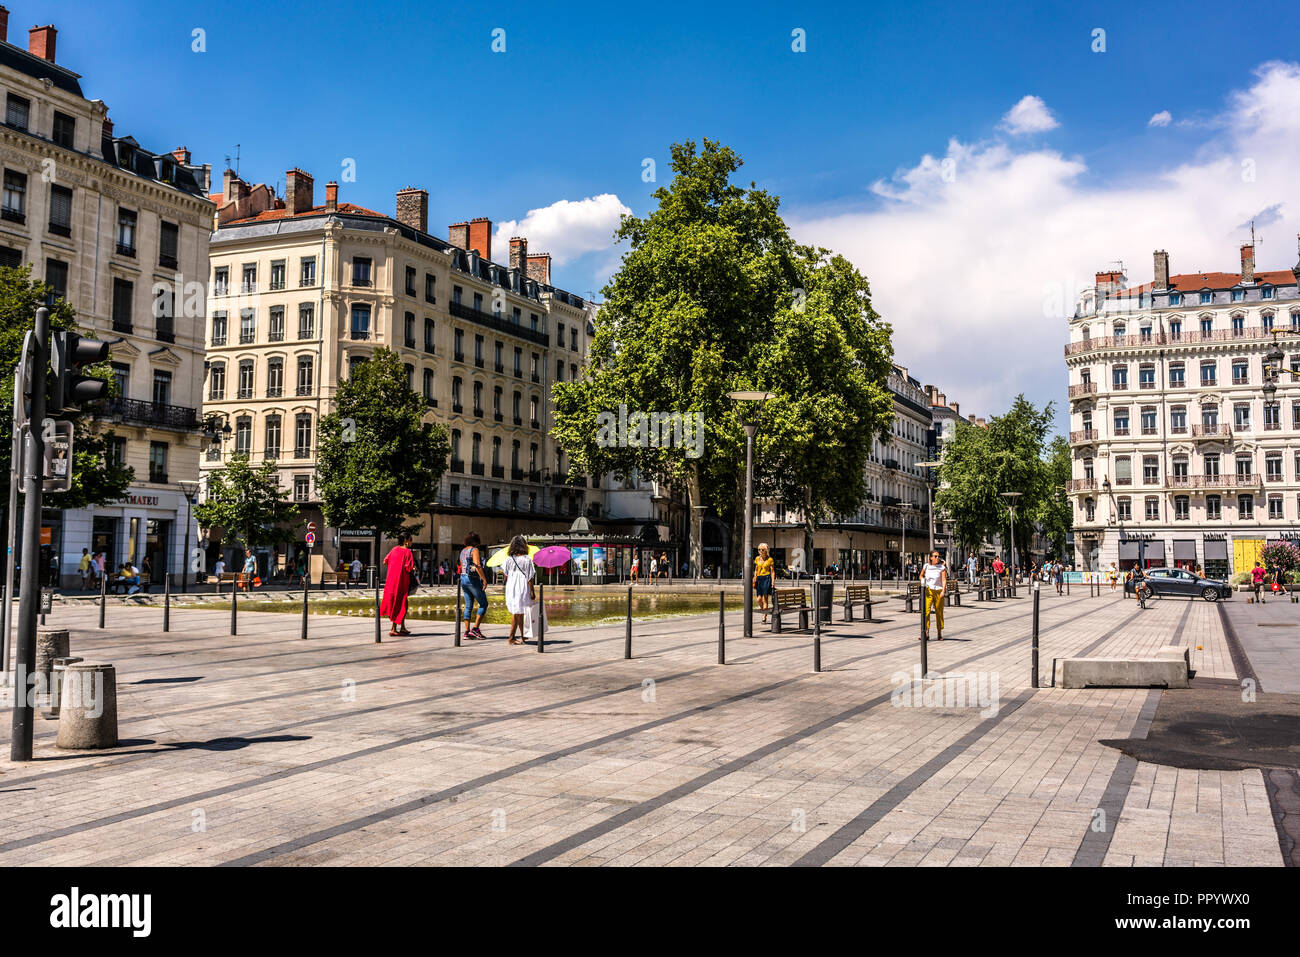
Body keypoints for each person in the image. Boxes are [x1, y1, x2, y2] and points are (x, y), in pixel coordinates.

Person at [502, 535, 536, 646]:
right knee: (517, 613)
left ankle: (523, 635)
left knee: (519, 611)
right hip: (522, 587)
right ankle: (511, 638)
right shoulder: (527, 559)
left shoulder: (508, 559)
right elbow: (530, 577)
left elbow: (505, 575)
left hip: (511, 587)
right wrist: (532, 591)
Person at [381, 531, 416, 637]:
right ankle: (393, 628)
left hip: (391, 581)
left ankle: (402, 627)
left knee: (397, 603)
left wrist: (394, 567)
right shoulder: (408, 552)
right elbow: (408, 568)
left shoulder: (394, 549)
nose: (411, 542)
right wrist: (414, 568)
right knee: (400, 603)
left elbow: (385, 561)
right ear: (406, 541)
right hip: (401, 582)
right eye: (410, 540)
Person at [459, 532, 489, 639]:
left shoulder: (463, 551)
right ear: (476, 541)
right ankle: (475, 629)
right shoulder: (474, 550)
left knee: (468, 605)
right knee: (484, 604)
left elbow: (463, 565)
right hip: (472, 579)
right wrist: (484, 579)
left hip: (463, 579)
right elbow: (477, 564)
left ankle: (466, 632)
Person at [922, 551, 947, 641]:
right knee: (926, 612)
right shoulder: (926, 566)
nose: (937, 558)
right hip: (929, 591)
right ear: (931, 557)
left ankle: (939, 633)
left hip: (938, 591)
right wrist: (923, 582)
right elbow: (921, 576)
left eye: (938, 556)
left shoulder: (942, 568)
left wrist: (943, 591)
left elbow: (944, 580)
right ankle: (926, 633)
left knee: (939, 612)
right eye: (935, 556)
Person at [753, 543, 775, 624]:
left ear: (766, 550)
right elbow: (756, 569)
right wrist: (754, 577)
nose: (760, 551)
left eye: (762, 549)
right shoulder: (757, 559)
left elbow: (772, 572)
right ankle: (764, 611)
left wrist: (773, 582)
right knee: (758, 599)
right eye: (759, 549)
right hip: (759, 579)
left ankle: (764, 616)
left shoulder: (770, 560)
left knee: (764, 599)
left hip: (766, 578)